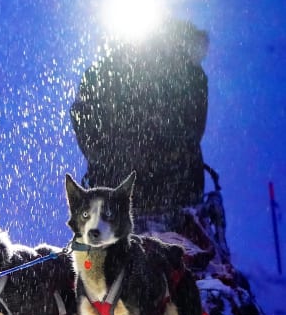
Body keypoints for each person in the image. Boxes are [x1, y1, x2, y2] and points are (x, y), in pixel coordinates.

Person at [70, 19, 210, 217]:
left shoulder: (188, 73)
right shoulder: (99, 74)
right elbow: (83, 120)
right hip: (126, 190)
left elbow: (194, 126)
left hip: (170, 190)